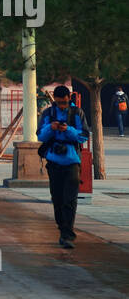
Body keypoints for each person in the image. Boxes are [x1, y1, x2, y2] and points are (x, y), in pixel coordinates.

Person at [37, 85, 88, 248]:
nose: (62, 106)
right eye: (59, 103)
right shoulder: (48, 113)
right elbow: (40, 136)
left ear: (69, 99)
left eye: (65, 103)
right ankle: (62, 228)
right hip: (54, 160)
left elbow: (83, 136)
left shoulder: (77, 113)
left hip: (72, 161)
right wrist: (50, 128)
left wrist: (68, 130)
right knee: (57, 198)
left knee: (70, 199)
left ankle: (68, 234)